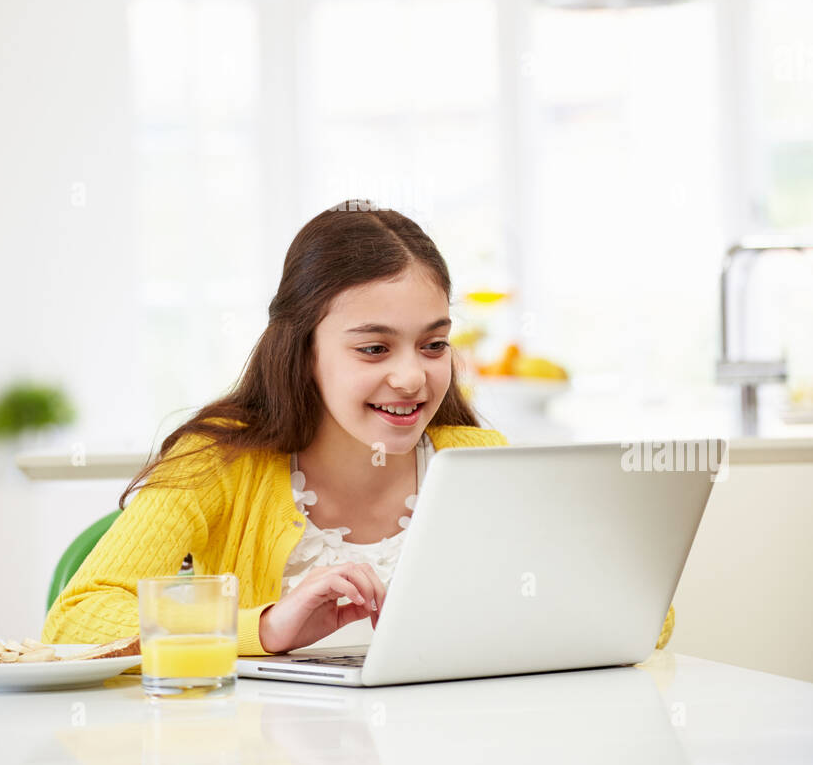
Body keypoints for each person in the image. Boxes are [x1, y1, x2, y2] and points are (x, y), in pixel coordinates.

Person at [40, 200, 513, 656]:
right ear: (303, 351)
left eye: (433, 344)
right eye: (374, 348)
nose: (412, 378)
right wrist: (262, 628)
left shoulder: (481, 462)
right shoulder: (217, 461)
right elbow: (76, 619)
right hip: (259, 738)